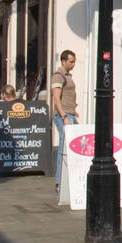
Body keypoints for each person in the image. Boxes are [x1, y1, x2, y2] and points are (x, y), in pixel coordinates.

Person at [50, 50, 78, 188]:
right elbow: (56, 99)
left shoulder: (68, 76)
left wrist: (73, 111)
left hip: (70, 113)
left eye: (74, 61)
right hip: (64, 115)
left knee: (73, 146)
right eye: (71, 61)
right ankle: (59, 181)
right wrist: (64, 116)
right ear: (63, 61)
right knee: (64, 146)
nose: (73, 64)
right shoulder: (58, 76)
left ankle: (68, 179)